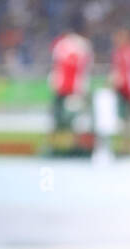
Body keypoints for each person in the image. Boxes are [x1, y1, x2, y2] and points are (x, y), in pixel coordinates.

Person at [49, 21, 92, 154]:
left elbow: (55, 65)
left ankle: (56, 146)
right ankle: (73, 146)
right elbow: (86, 69)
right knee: (75, 119)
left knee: (60, 119)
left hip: (61, 88)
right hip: (75, 89)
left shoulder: (60, 44)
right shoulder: (84, 45)